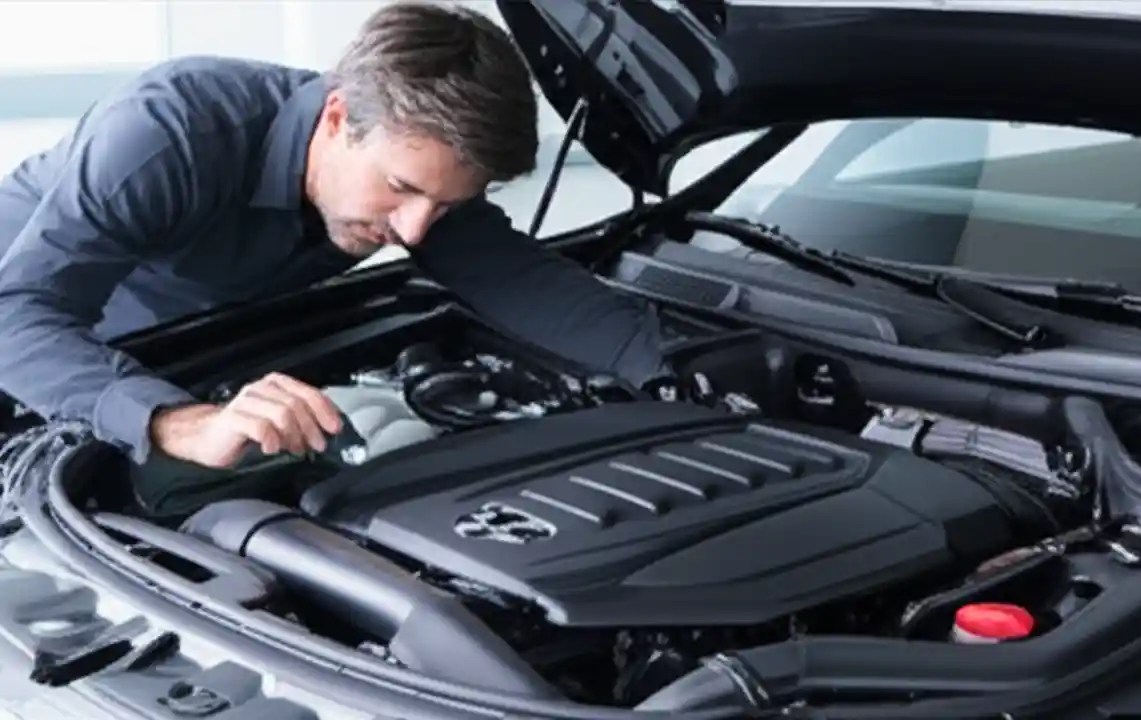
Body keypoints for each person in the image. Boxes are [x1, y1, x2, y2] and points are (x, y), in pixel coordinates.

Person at [0, 2, 666, 471]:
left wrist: (679, 369)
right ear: (339, 116)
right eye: (400, 190)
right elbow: (16, 318)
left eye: (447, 204)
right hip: (36, 351)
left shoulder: (421, 176)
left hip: (170, 348)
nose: (412, 232)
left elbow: (527, 283)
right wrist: (172, 422)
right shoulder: (167, 134)